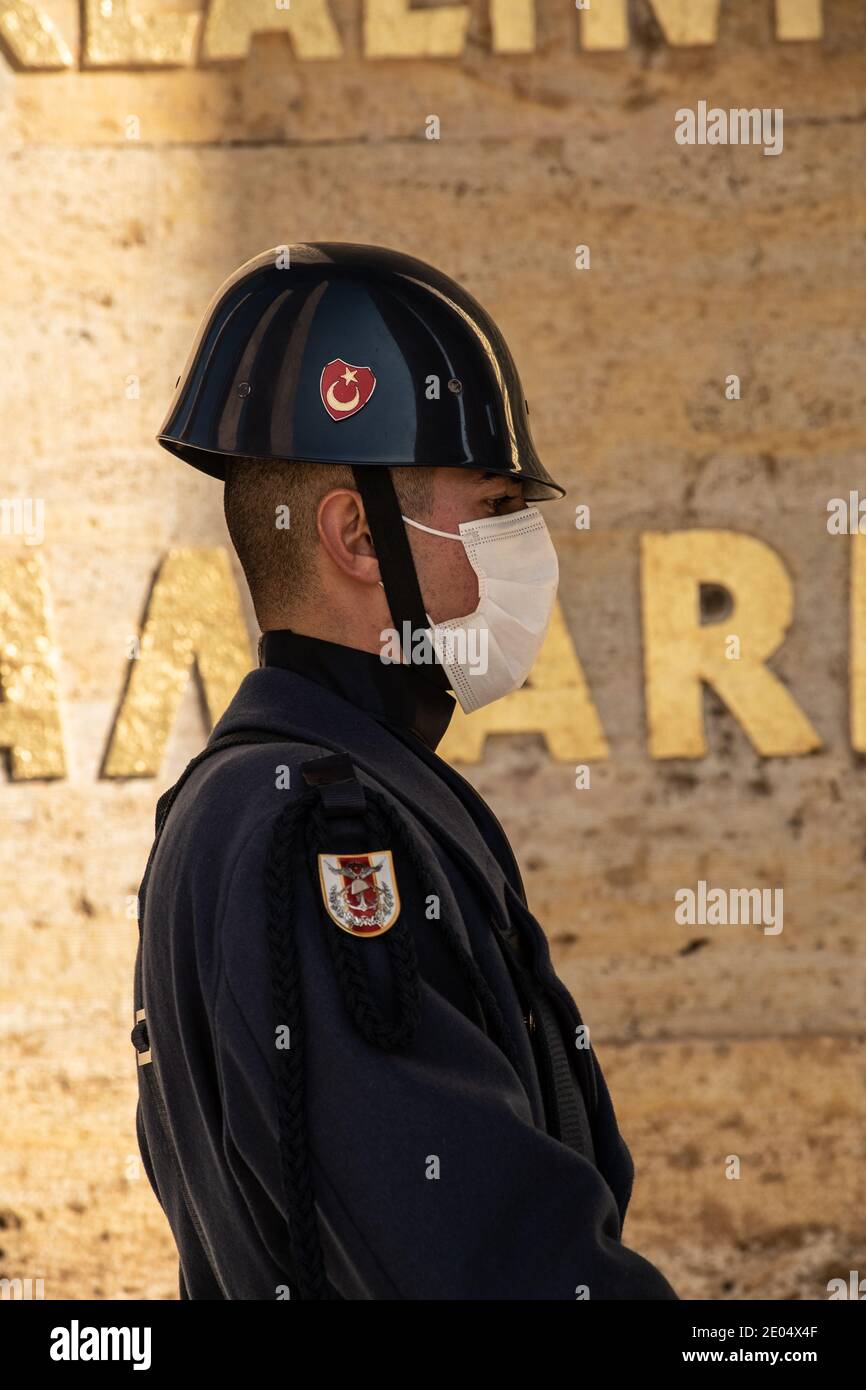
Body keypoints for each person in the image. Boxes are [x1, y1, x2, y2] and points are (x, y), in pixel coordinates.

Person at [131, 242, 678, 1301]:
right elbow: (486, 1263)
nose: (527, 546)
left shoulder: (277, 796)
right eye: (495, 506)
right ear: (355, 538)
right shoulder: (315, 828)